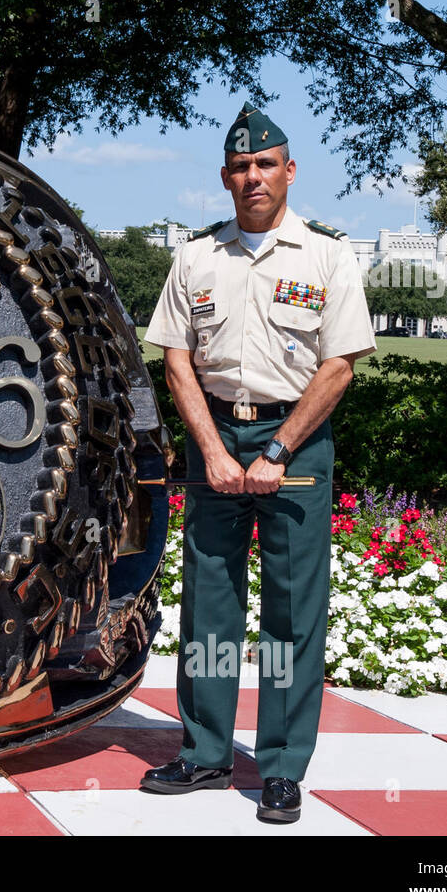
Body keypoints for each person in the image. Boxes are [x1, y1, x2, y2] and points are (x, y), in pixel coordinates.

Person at [139, 102, 376, 823]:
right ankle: (206, 754)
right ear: (225, 177)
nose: (253, 177)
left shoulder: (327, 256)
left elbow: (339, 367)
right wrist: (210, 447)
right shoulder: (196, 257)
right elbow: (176, 360)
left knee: (291, 613)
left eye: (265, 164)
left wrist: (277, 450)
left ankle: (278, 768)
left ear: (289, 172)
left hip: (295, 443)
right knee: (210, 604)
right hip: (217, 441)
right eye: (240, 167)